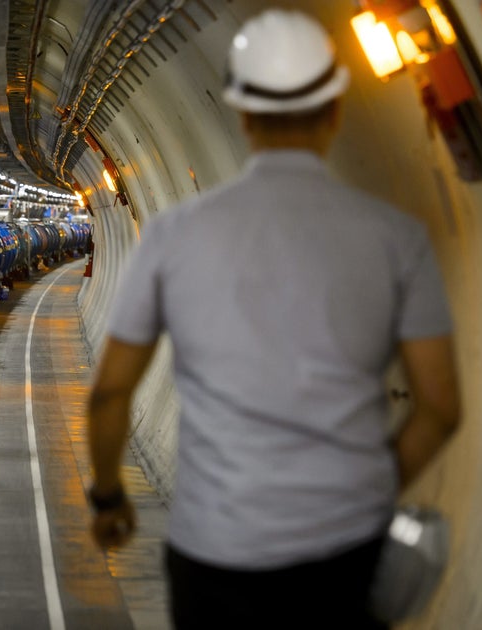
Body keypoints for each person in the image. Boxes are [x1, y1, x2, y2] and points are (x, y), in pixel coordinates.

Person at [84, 9, 461, 630]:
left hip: (215, 553)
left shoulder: (175, 235)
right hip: (345, 556)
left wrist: (107, 496)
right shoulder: (396, 239)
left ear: (244, 115)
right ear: (336, 109)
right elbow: (440, 406)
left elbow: (111, 393)